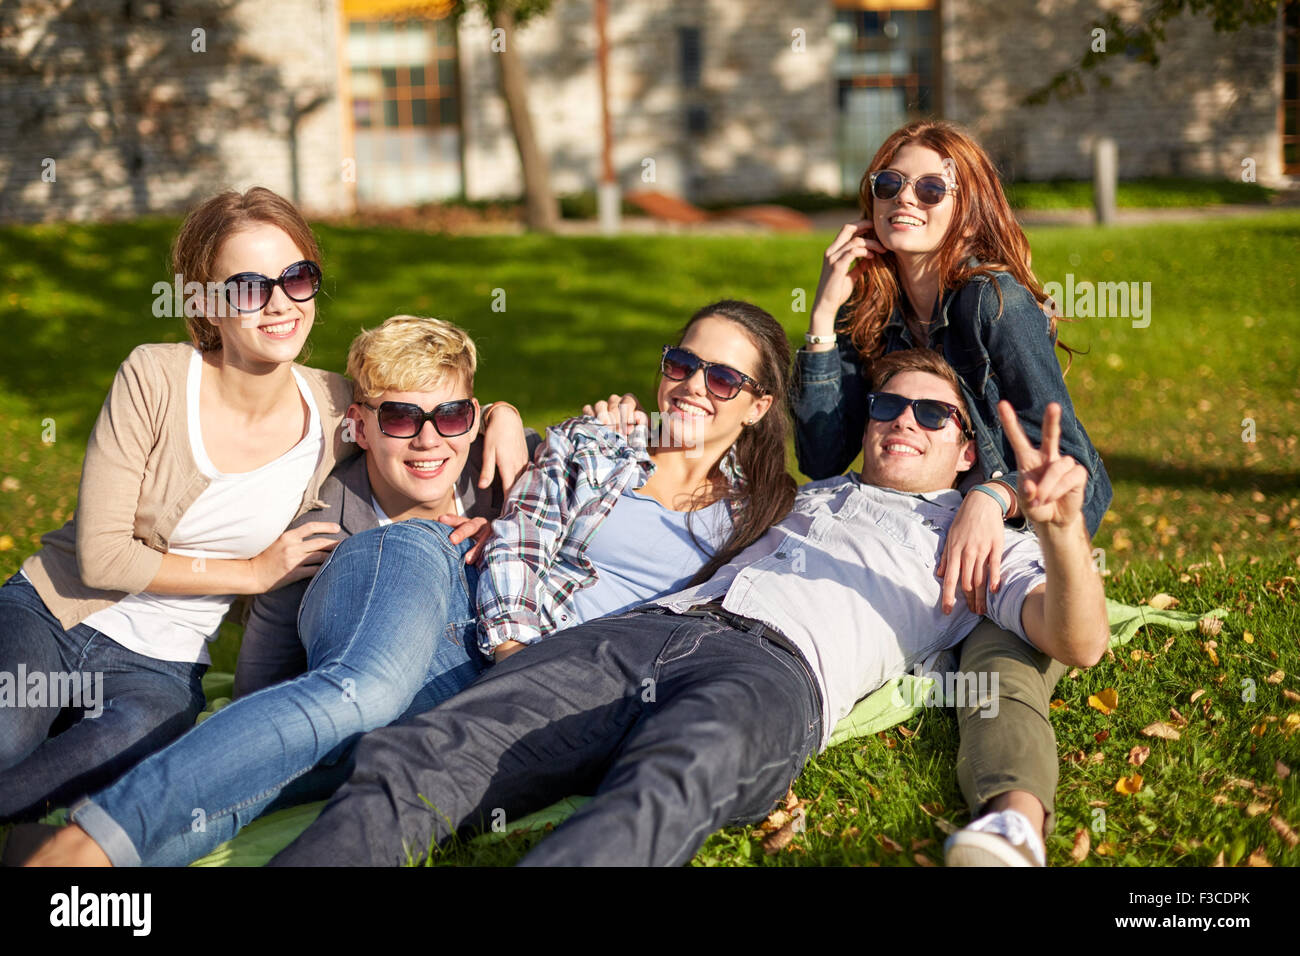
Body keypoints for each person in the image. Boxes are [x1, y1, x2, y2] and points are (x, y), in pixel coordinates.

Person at [247, 347, 1109, 868]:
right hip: (646, 632)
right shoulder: (794, 496)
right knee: (424, 751)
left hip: (776, 676)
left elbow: (1080, 638)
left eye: (933, 413)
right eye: (889, 404)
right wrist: (516, 427)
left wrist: (1060, 529)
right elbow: (648, 473)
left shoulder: (970, 535)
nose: (902, 422)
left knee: (660, 789)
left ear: (966, 452)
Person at [26, 299, 797, 866]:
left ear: (760, 406)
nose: (694, 384)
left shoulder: (761, 518)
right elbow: (524, 535)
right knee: (359, 692)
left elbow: (736, 633)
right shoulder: (600, 442)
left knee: (330, 761)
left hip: (534, 681)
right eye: (681, 362)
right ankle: (85, 847)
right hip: (439, 579)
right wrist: (519, 645)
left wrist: (757, 754)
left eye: (723, 377)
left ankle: (94, 872)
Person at [792, 120, 1113, 865]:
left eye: (932, 187)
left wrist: (993, 497)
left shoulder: (992, 302)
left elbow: (1080, 464)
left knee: (997, 677)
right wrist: (820, 321)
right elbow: (823, 454)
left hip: (1013, 547)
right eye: (889, 183)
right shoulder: (869, 304)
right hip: (910, 539)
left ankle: (1011, 826)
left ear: (967, 209)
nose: (905, 198)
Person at [0, 187, 356, 822]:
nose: (281, 304)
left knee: (73, 778)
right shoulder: (155, 376)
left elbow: (432, 416)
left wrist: (502, 415)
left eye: (297, 278)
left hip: (161, 671)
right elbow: (104, 558)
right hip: (52, 612)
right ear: (205, 303)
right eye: (249, 287)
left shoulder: (335, 407)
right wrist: (251, 574)